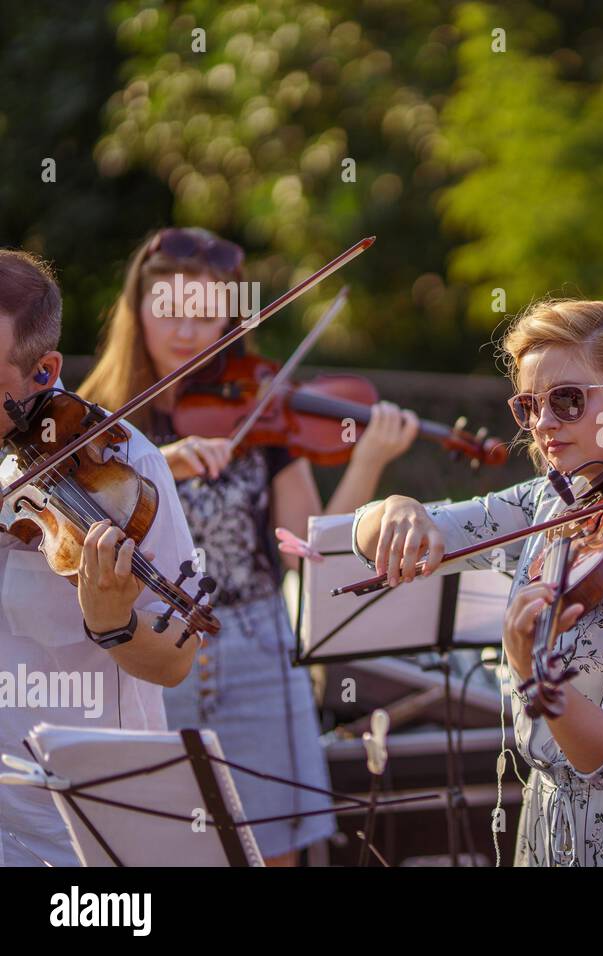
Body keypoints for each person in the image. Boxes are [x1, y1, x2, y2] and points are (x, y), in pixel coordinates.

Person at [353, 299, 603, 866]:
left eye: (567, 400)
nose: (542, 424)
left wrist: (530, 671)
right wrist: (395, 509)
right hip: (548, 830)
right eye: (528, 405)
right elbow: (377, 534)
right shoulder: (552, 500)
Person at [79, 227, 420, 865]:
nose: (187, 331)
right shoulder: (97, 423)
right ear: (138, 311)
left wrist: (368, 461)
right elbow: (74, 538)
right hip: (149, 650)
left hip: (259, 651)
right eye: (170, 310)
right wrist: (161, 467)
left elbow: (307, 552)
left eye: (206, 314)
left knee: (274, 851)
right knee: (163, 851)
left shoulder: (257, 408)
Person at [0, 250, 198, 866]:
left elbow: (179, 658)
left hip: (87, 837)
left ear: (44, 370)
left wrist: (114, 623)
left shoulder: (125, 470)